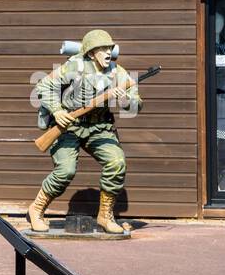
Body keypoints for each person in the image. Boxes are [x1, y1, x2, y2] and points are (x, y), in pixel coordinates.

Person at [29, 29, 141, 234]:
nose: (108, 52)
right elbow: (44, 86)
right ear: (91, 53)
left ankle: (105, 216)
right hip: (68, 126)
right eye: (102, 49)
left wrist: (124, 99)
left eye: (110, 48)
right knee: (65, 171)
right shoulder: (75, 66)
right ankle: (36, 209)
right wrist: (57, 110)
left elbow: (136, 104)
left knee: (116, 162)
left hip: (99, 128)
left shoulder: (118, 72)